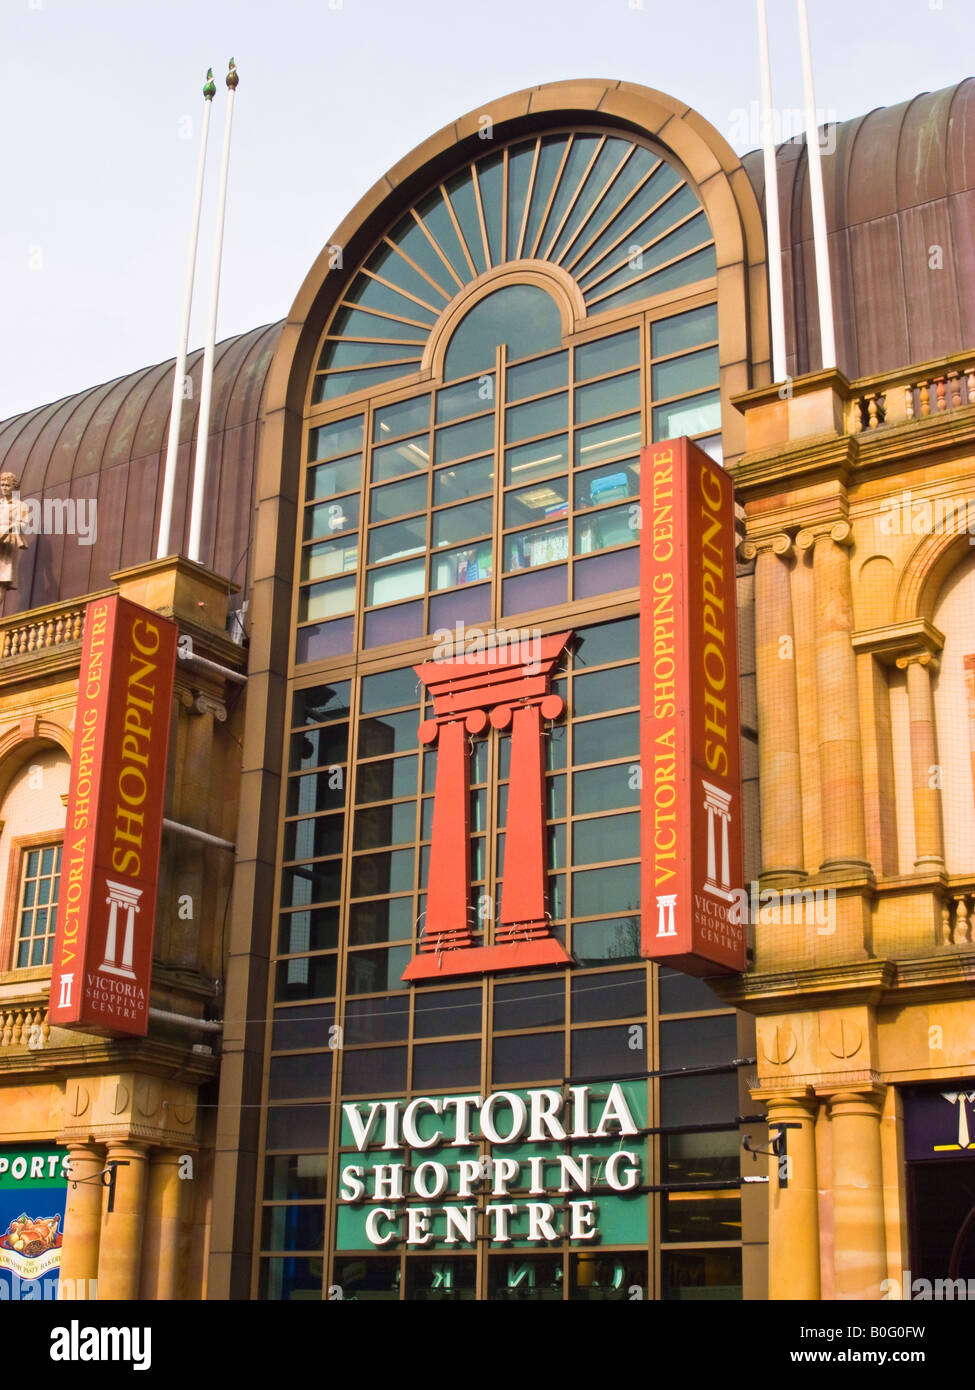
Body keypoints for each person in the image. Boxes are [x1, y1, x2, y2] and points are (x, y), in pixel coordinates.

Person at [0, 472, 30, 615]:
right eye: (2, 485)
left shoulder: (20, 505)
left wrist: (9, 529)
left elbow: (23, 524)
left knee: (1, 581)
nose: (4, 488)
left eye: (7, 485)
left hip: (7, 544)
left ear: (14, 487)